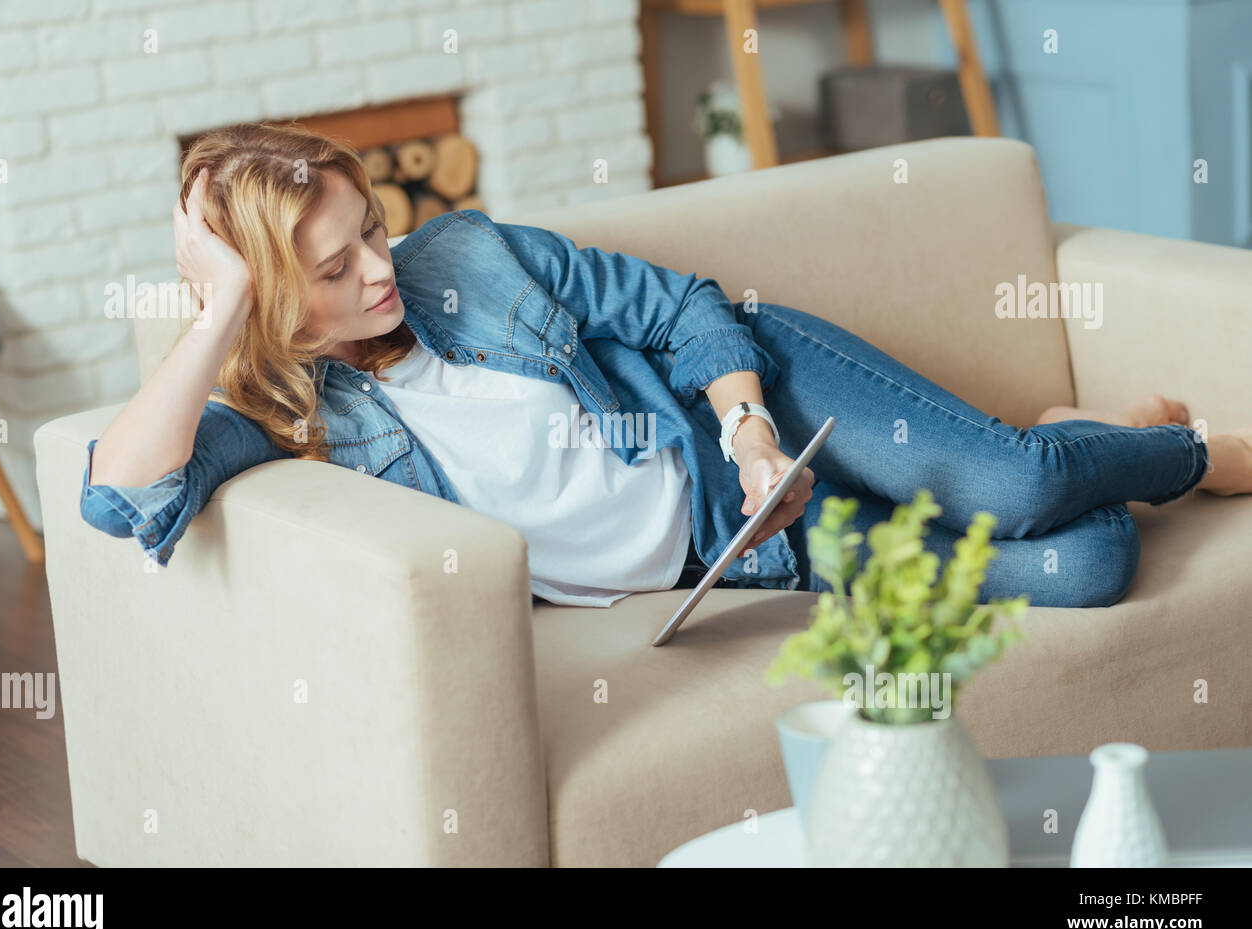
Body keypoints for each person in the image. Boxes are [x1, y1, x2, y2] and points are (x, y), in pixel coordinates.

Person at [81, 123, 1252, 609]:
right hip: (745, 548)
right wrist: (224, 303)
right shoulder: (282, 415)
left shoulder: (468, 260)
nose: (378, 273)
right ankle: (1061, 431)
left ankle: (1199, 449)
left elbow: (685, 306)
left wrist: (747, 434)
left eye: (372, 231)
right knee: (1085, 567)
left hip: (765, 401)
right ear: (273, 300)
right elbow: (119, 495)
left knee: (1021, 488)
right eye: (330, 274)